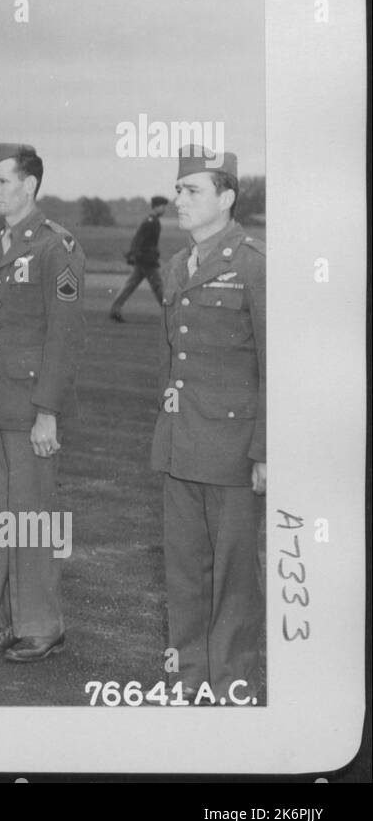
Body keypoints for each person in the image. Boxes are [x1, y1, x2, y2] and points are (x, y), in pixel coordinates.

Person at [152, 147, 265, 702]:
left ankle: (232, 686)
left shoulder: (252, 264)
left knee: (234, 578)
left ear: (226, 197)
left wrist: (265, 450)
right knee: (185, 570)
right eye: (178, 189)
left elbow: (275, 364)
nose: (179, 200)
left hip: (232, 446)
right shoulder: (177, 266)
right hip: (180, 443)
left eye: (192, 190)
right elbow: (178, 357)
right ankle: (190, 680)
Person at [0, 143, 86, 663]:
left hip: (31, 407)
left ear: (29, 185)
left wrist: (48, 411)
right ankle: (11, 622)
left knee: (32, 518)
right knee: (1, 519)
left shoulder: (55, 248)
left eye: (1, 181)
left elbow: (63, 337)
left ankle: (42, 625)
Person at [110, 195, 169, 322]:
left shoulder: (151, 221)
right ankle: (169, 314)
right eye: (163, 206)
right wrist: (136, 255)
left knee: (130, 285)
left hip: (144, 259)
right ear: (157, 207)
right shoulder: (151, 222)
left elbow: (139, 239)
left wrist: (134, 255)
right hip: (147, 261)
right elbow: (139, 240)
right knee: (158, 287)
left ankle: (115, 309)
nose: (164, 209)